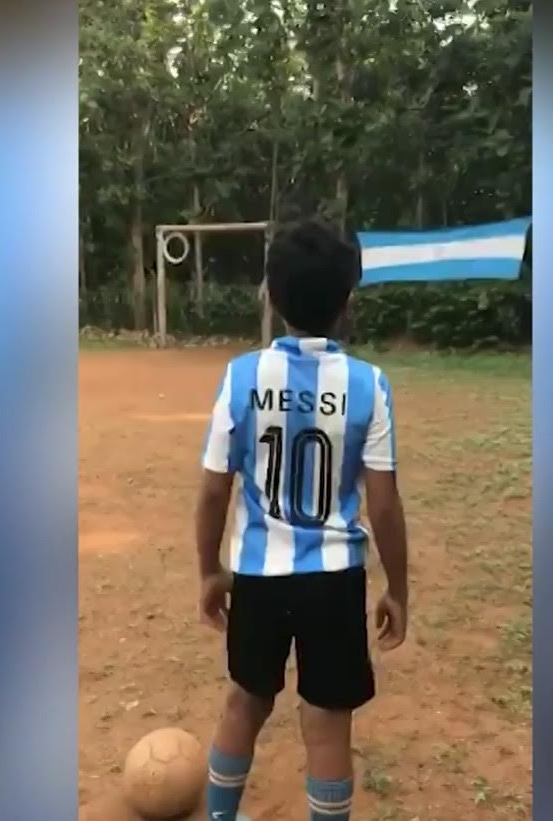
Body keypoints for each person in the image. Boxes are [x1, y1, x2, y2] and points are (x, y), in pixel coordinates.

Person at [195, 218, 409, 821]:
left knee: (245, 702)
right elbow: (384, 504)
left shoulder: (241, 376)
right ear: (346, 302)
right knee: (327, 724)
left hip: (258, 576)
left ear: (269, 294)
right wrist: (398, 588)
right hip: (334, 581)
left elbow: (213, 491)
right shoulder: (368, 385)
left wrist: (209, 569)